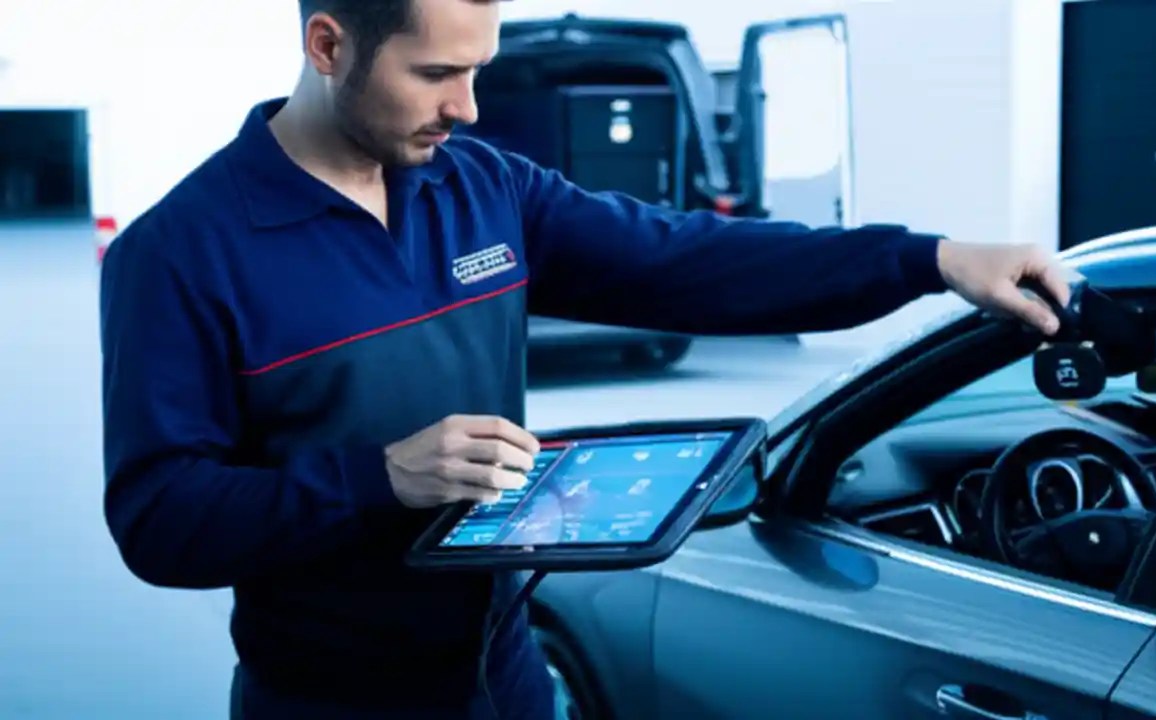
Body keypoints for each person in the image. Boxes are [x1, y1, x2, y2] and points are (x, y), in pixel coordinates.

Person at [97, 0, 1071, 717]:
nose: (469, 108)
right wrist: (380, 479)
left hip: (505, 671)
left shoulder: (481, 187)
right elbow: (160, 519)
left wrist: (926, 260)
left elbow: (688, 259)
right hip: (328, 700)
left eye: (477, 69)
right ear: (326, 45)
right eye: (435, 75)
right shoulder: (180, 253)